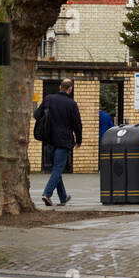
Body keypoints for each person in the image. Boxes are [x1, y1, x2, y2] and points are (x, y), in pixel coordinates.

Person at [35, 79, 82, 207]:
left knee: (57, 169)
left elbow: (36, 114)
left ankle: (63, 197)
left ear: (60, 87)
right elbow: (77, 124)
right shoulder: (71, 104)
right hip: (64, 141)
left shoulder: (49, 99)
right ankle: (47, 194)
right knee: (58, 168)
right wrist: (79, 140)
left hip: (49, 140)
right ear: (70, 89)